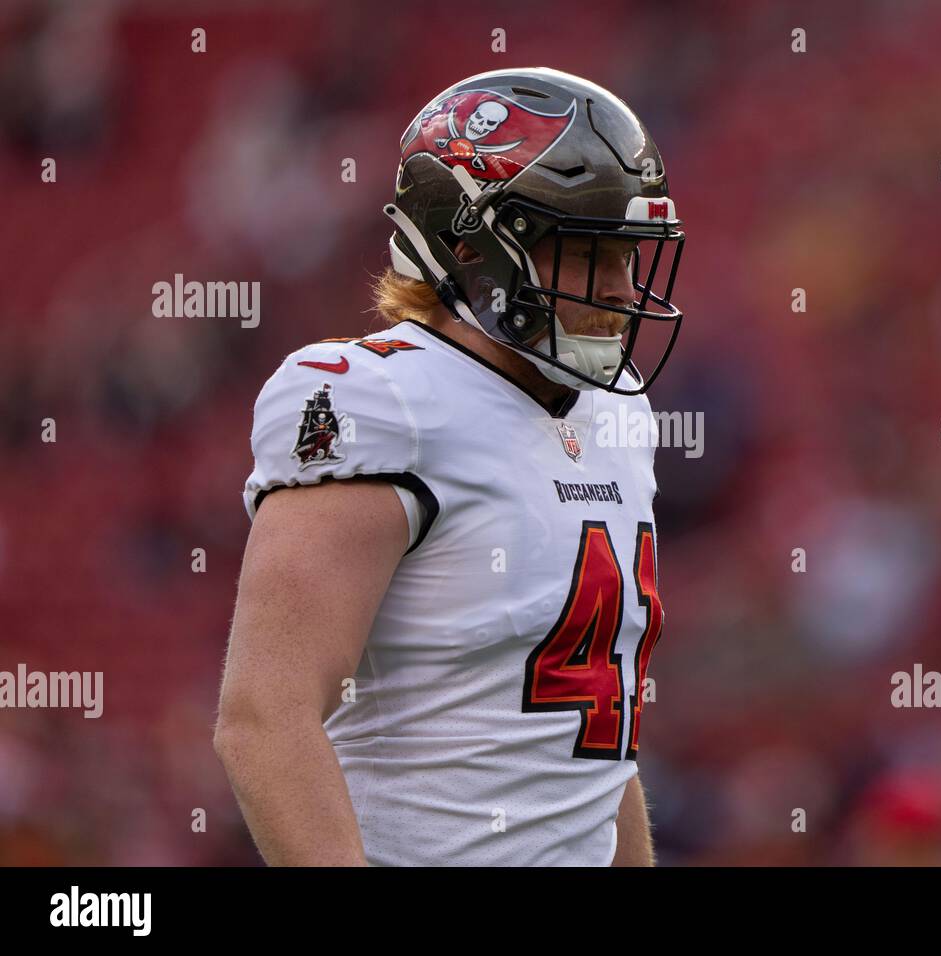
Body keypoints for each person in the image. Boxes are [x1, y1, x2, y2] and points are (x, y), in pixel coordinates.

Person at [214, 67, 685, 866]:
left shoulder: (618, 408)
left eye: (629, 256)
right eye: (588, 256)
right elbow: (265, 715)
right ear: (471, 247)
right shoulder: (384, 400)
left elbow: (590, 744)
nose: (620, 290)